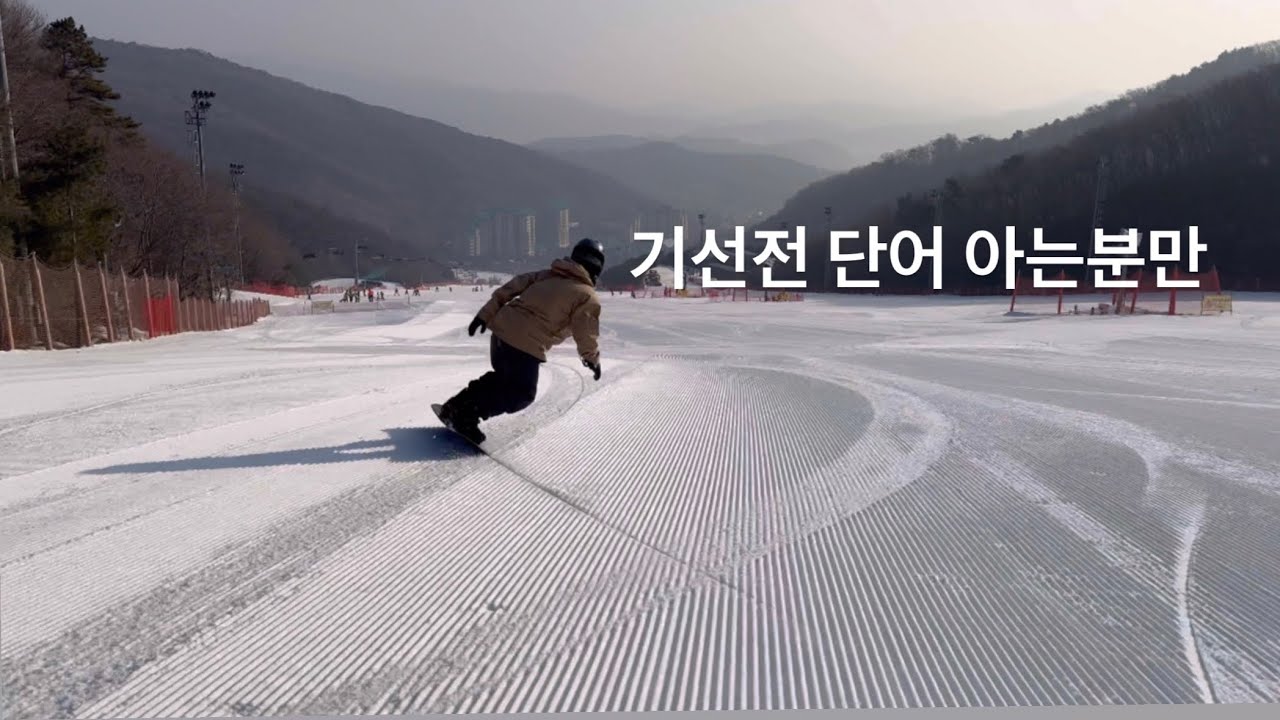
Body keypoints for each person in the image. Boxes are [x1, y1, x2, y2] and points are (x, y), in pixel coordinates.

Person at [438, 238, 605, 444]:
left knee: (503, 381)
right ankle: (464, 415)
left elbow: (510, 288)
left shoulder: (546, 275)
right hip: (525, 344)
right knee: (521, 394)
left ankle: (456, 407)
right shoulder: (587, 296)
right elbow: (586, 332)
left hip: (500, 335)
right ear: (597, 267)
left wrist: (485, 315)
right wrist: (591, 359)